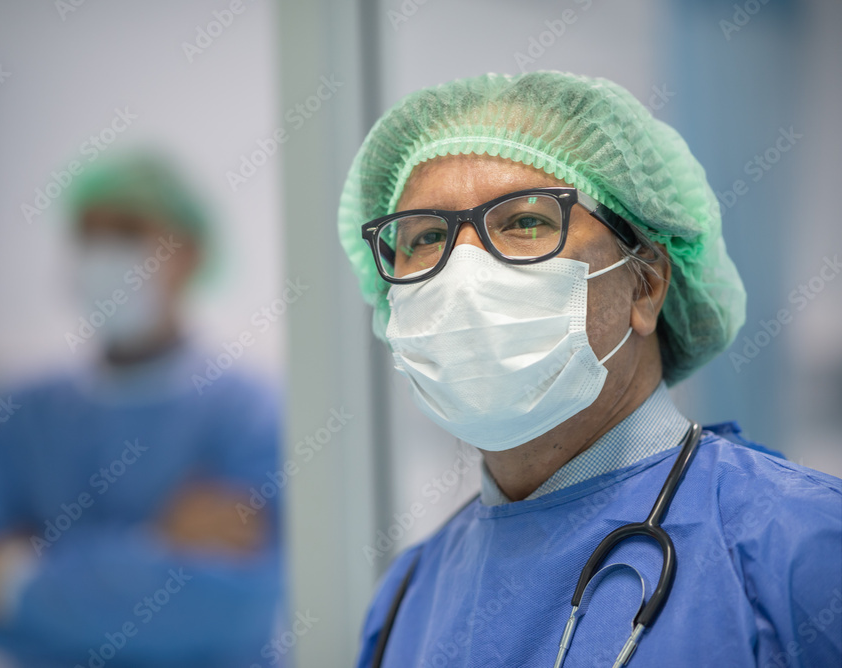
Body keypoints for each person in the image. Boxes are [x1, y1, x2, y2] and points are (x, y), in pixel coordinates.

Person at [337, 71, 842, 667]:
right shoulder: (407, 597)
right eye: (424, 236)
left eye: (526, 222)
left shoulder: (798, 543)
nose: (461, 274)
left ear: (646, 285)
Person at [0, 153, 282, 667]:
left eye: (129, 233)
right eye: (87, 235)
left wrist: (20, 580)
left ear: (189, 255)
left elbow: (240, 607)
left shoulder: (249, 413)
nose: (103, 255)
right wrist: (162, 547)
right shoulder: (16, 413)